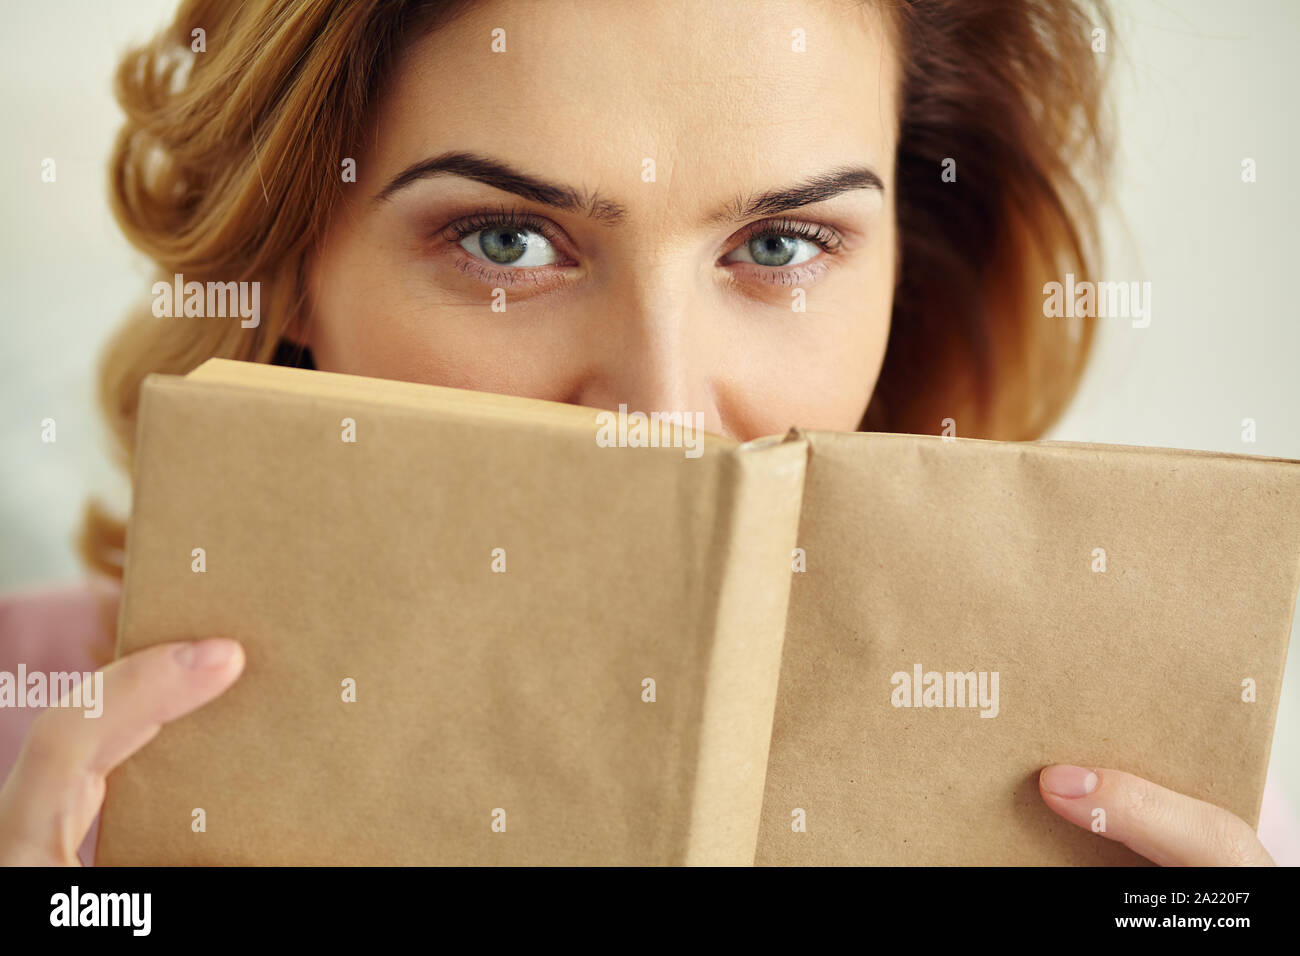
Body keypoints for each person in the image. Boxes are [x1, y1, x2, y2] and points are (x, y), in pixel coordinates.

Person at [0, 0, 1291, 866]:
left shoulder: (1106, 803)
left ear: (913, 270)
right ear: (287, 264)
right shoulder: (33, 727)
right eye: (507, 243)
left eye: (781, 246)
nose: (664, 415)